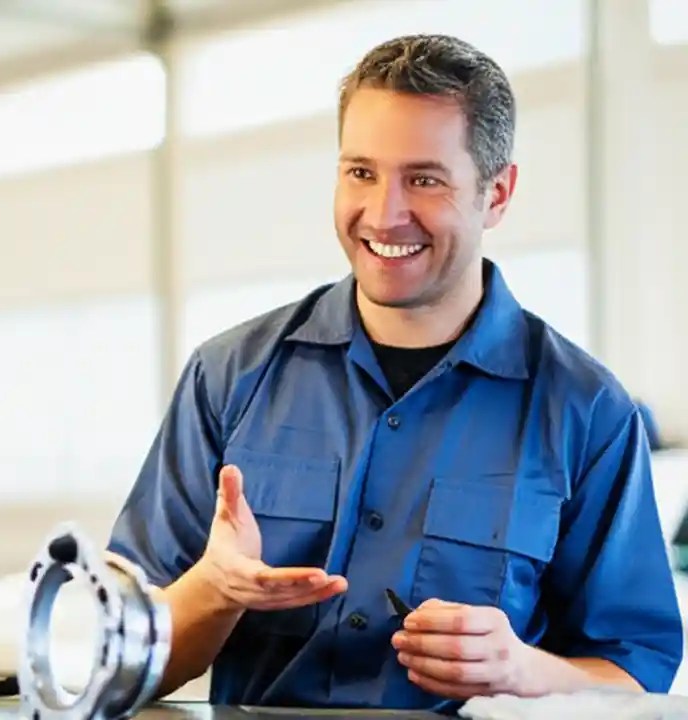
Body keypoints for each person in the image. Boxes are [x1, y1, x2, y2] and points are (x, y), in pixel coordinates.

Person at [107, 33, 684, 713]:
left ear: (497, 194)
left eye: (425, 179)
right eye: (361, 172)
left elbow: (638, 677)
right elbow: (120, 659)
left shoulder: (586, 410)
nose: (383, 213)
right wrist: (214, 587)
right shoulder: (228, 375)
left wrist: (523, 670)